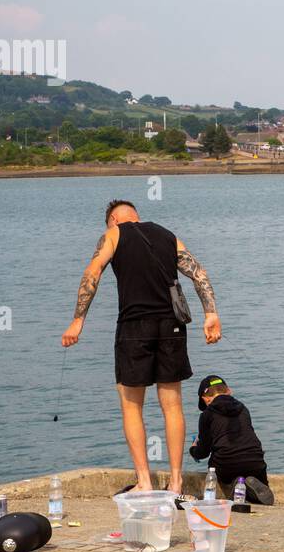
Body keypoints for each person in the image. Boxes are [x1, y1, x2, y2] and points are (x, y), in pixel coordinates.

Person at [61, 199, 222, 498]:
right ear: (137, 215)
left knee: (131, 404)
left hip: (134, 328)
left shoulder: (114, 234)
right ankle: (175, 483)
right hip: (172, 326)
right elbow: (198, 272)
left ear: (113, 219)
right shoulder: (166, 234)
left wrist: (78, 320)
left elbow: (92, 273)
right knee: (172, 405)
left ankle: (145, 481)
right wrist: (210, 313)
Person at [189, 374, 274, 505]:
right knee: (259, 481)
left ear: (206, 399)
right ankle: (253, 488)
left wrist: (194, 449)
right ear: (229, 391)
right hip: (255, 462)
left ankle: (235, 486)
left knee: (223, 466)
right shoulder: (243, 408)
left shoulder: (207, 414)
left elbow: (204, 451)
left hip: (226, 466)